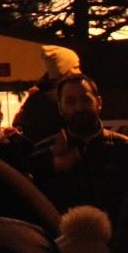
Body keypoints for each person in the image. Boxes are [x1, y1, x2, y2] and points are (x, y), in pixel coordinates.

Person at [31, 74, 128, 223]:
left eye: (85, 99)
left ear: (98, 102)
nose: (79, 107)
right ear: (60, 107)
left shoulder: (122, 148)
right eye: (70, 101)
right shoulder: (44, 153)